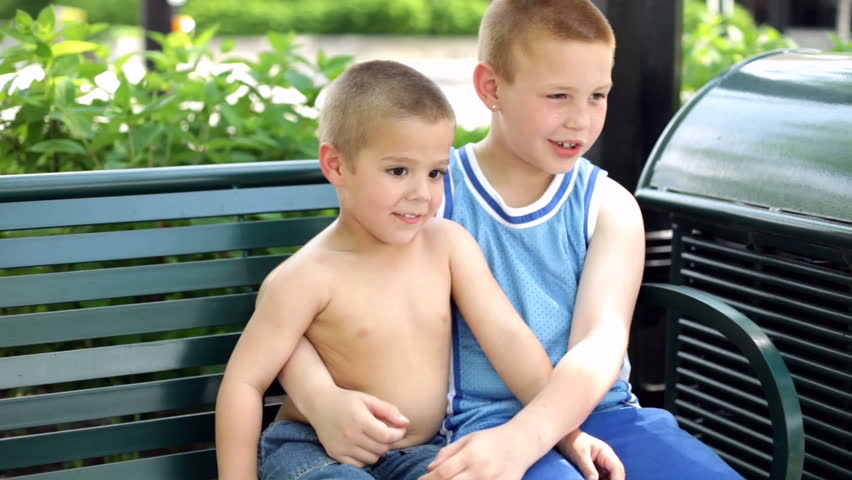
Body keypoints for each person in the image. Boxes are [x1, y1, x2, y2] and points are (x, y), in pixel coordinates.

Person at [279, 1, 747, 479]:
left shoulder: (609, 206)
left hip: (605, 418)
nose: (580, 120)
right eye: (558, 96)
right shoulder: (429, 192)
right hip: (482, 431)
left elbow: (599, 343)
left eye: (597, 95)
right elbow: (307, 296)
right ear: (492, 88)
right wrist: (320, 398)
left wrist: (529, 437)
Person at [214, 59, 622, 480]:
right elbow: (244, 384)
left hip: (418, 453)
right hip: (313, 450)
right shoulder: (309, 275)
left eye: (435, 173)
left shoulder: (448, 246)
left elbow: (510, 341)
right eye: (397, 171)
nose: (421, 193)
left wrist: (566, 434)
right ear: (336, 166)